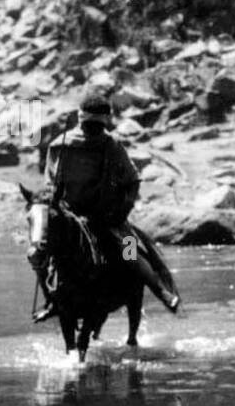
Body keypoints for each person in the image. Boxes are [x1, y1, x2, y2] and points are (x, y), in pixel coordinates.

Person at [34, 86, 179, 321]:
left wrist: (123, 210)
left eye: (98, 127)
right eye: (91, 126)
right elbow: (50, 185)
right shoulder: (60, 145)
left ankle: (160, 290)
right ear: (81, 121)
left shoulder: (111, 145)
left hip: (107, 216)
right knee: (38, 252)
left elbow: (132, 180)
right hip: (69, 214)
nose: (95, 131)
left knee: (132, 247)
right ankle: (52, 300)